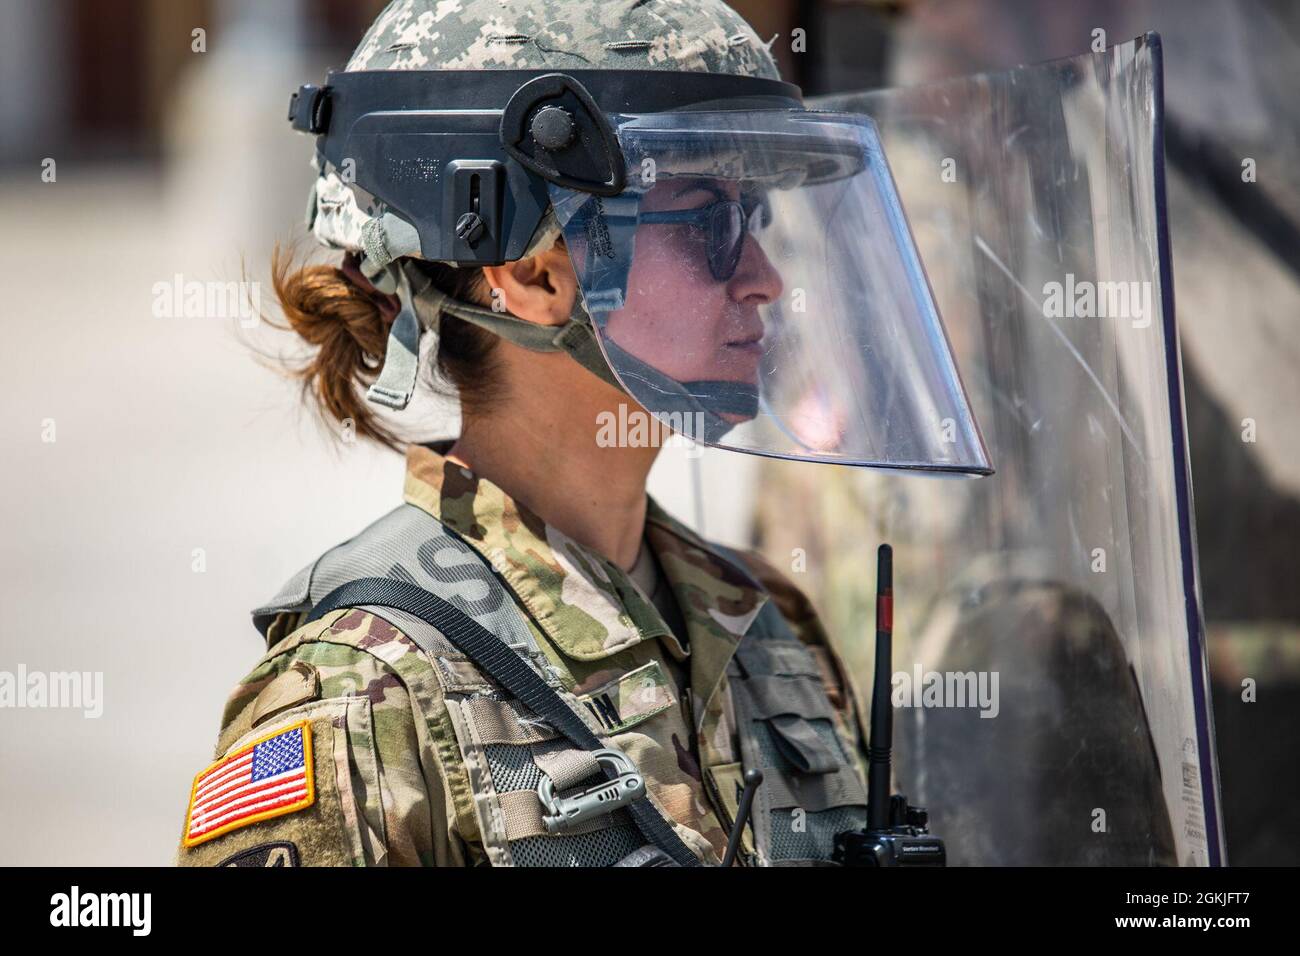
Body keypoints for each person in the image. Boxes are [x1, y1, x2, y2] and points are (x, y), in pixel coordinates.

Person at [175, 0, 989, 867]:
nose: (763, 279)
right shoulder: (358, 696)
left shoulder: (770, 631)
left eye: (753, 221)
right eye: (709, 222)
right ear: (529, 272)